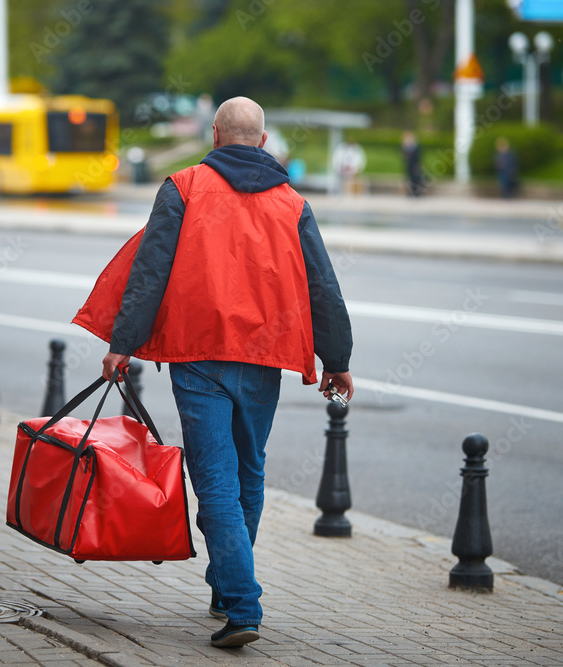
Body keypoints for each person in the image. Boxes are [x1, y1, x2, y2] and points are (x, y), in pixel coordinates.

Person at [72, 96, 354, 649]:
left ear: (217, 133)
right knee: (249, 472)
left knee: (216, 481)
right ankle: (230, 590)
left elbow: (150, 271)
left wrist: (121, 344)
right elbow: (323, 285)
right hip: (265, 358)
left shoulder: (183, 187)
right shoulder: (293, 203)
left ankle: (242, 604)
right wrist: (338, 360)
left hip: (198, 355)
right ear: (264, 142)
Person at [401, 131, 424, 197]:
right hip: (409, 166)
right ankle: (410, 193)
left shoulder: (416, 147)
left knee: (416, 179)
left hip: (415, 166)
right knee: (409, 180)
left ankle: (416, 193)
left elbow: (419, 157)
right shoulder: (405, 147)